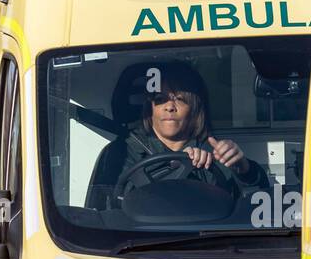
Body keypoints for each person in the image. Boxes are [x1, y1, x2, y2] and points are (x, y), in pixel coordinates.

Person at [99, 62, 272, 200]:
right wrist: (174, 167)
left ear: (195, 109)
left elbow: (256, 205)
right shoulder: (120, 152)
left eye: (180, 99)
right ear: (149, 108)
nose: (169, 107)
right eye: (160, 99)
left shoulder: (216, 153)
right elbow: (108, 207)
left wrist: (243, 168)